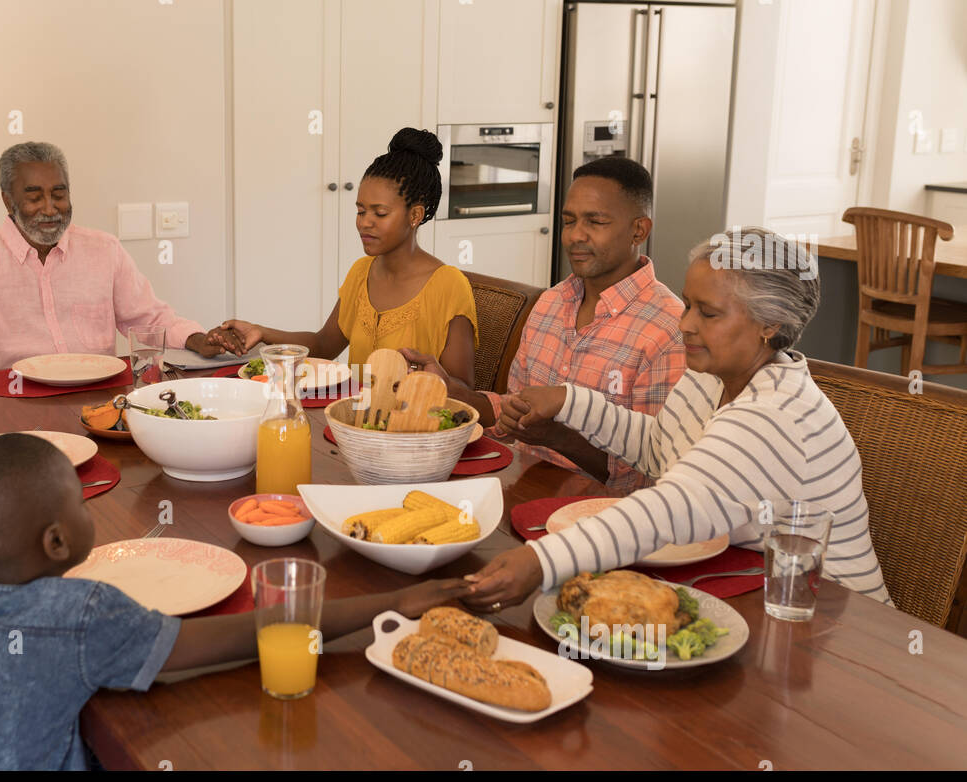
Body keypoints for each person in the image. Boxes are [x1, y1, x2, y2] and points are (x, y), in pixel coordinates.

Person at [0, 433, 470, 770]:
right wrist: (396, 601)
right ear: (55, 542)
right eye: (80, 506)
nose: (88, 514)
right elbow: (257, 631)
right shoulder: (80, 617)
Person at [463, 228, 892, 611]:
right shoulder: (711, 376)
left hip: (834, 620)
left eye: (707, 313)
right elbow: (658, 449)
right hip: (758, 592)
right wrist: (568, 401)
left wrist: (543, 561)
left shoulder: (775, 414)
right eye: (687, 305)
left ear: (770, 323)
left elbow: (672, 508)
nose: (684, 323)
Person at [402, 156, 685, 495]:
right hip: (519, 485)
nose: (576, 236)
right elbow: (511, 409)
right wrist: (448, 390)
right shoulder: (552, 302)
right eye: (569, 221)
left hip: (601, 517)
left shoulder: (669, 329)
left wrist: (557, 438)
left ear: (639, 230)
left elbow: (652, 476)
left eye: (595, 222)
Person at [0, 141, 226, 403]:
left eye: (59, 194)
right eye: (34, 197)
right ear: (9, 202)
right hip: (11, 404)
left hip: (99, 401)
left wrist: (197, 338)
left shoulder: (104, 250)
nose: (50, 209)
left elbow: (151, 320)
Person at [208, 128, 478, 384]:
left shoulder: (449, 286)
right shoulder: (362, 272)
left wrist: (428, 381)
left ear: (415, 215)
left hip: (412, 428)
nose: (365, 223)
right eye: (361, 211)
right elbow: (324, 345)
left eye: (379, 213)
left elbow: (463, 389)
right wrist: (262, 332)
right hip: (352, 420)